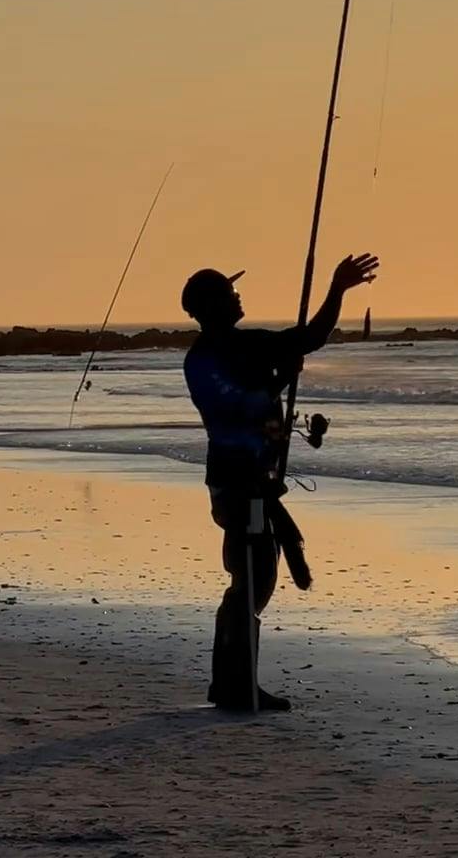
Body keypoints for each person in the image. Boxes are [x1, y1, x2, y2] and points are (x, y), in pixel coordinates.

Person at [182, 252, 379, 712]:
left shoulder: (241, 346)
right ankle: (236, 686)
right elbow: (238, 407)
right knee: (252, 579)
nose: (238, 296)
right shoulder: (205, 359)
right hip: (238, 484)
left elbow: (307, 339)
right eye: (230, 293)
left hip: (255, 483)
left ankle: (229, 682)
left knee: (252, 577)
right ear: (211, 306)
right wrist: (279, 380)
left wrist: (335, 291)